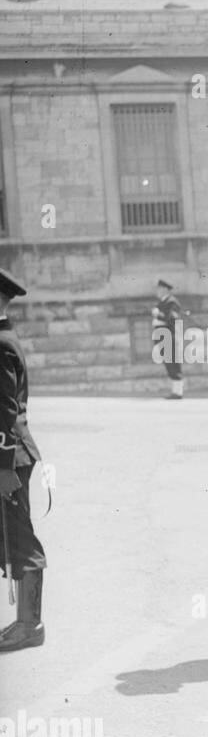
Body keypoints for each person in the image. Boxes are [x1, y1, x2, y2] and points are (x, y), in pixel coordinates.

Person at [0, 269, 46, 652]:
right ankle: (23, 622)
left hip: (10, 458)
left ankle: (30, 623)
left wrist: (2, 468)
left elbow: (5, 410)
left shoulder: (1, 344)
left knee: (20, 538)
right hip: (10, 456)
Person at [153, 278, 185, 400]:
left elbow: (171, 318)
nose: (157, 291)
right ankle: (175, 391)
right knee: (168, 362)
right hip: (161, 335)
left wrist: (158, 314)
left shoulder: (172, 302)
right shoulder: (162, 302)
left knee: (172, 362)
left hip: (168, 335)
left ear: (165, 289)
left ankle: (178, 392)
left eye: (159, 289)